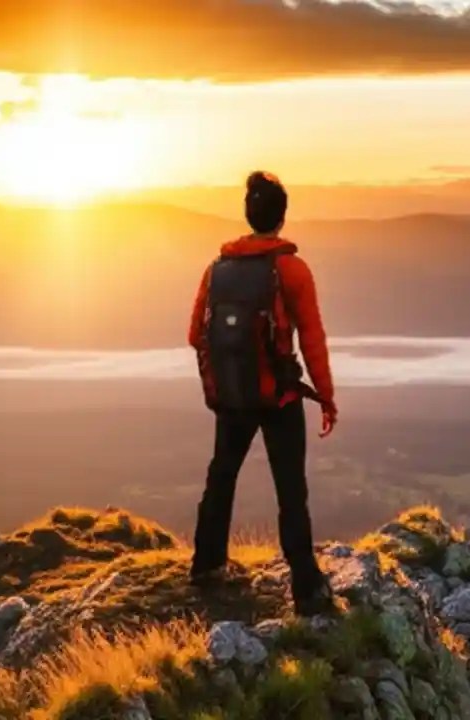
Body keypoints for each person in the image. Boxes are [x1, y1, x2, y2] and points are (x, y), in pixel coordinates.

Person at [188, 171, 338, 616]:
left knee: (222, 475)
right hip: (281, 400)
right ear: (282, 216)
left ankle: (206, 563)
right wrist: (326, 397)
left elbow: (195, 333)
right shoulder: (291, 269)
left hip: (232, 398)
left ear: (248, 214)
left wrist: (233, 371)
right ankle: (307, 588)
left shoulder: (217, 270)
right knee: (290, 489)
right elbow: (312, 338)